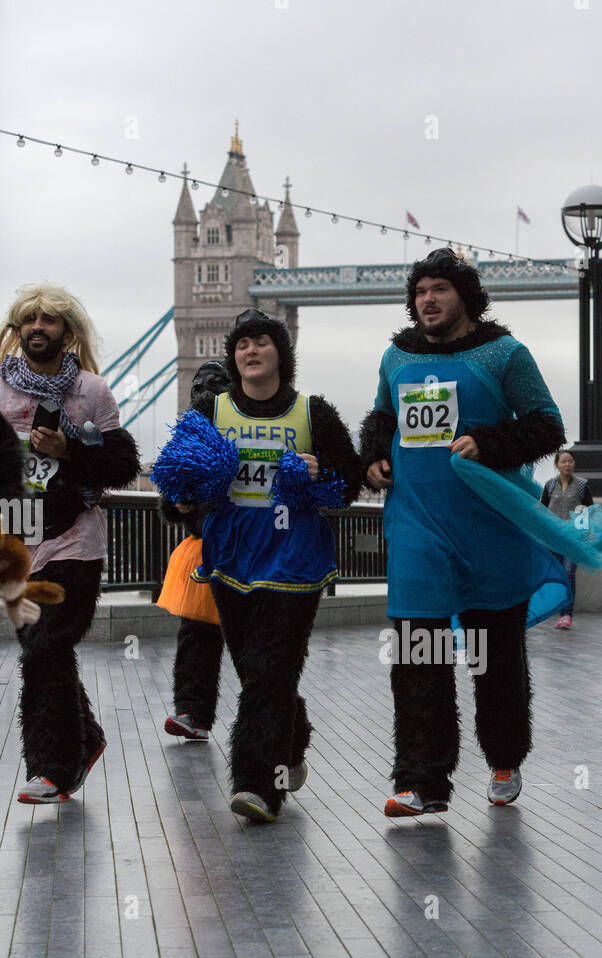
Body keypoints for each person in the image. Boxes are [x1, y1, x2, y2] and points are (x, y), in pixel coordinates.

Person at [360, 247, 569, 817]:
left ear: (465, 296)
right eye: (420, 291)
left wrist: (489, 443)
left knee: (492, 654)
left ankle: (504, 756)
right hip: (417, 530)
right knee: (417, 653)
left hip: (489, 532)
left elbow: (547, 425)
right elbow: (382, 416)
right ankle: (421, 781)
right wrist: (374, 455)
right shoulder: (396, 357)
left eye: (440, 290)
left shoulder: (505, 354)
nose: (428, 300)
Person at [153, 309, 363, 823]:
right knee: (259, 673)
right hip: (229, 560)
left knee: (270, 668)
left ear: (280, 354)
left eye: (262, 342)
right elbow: (174, 481)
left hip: (294, 560)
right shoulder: (211, 409)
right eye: (243, 343)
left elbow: (350, 481)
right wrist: (180, 499)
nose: (251, 351)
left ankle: (256, 786)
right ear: (234, 356)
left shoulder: (314, 413)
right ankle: (292, 739)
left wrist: (319, 473)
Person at [0, 285, 139, 804]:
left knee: (46, 647)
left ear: (67, 331)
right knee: (45, 649)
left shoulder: (91, 392)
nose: (38, 327)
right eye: (28, 320)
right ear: (17, 331)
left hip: (75, 540)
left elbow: (121, 465)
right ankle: (88, 739)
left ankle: (52, 770)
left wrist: (72, 448)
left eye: (49, 320)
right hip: (16, 541)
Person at [157, 361, 229, 740]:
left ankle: (278, 725)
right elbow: (168, 500)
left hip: (247, 549)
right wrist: (178, 502)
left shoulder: (242, 433)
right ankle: (192, 713)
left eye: (213, 389)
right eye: (201, 389)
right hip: (205, 552)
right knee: (196, 635)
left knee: (252, 646)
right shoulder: (186, 440)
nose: (206, 395)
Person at [541, 449, 594, 630]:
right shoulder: (549, 485)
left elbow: (590, 510)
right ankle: (556, 611)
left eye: (570, 461)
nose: (567, 465)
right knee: (557, 574)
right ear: (556, 465)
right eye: (563, 461)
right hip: (554, 539)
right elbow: (542, 511)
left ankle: (566, 615)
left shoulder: (581, 485)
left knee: (569, 574)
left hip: (573, 538)